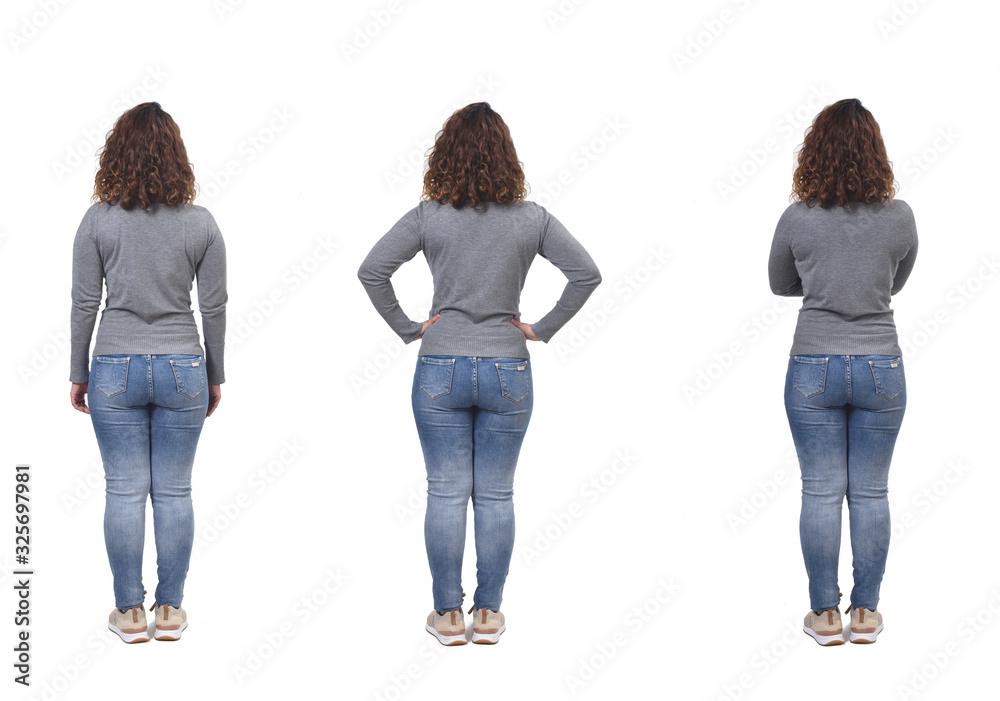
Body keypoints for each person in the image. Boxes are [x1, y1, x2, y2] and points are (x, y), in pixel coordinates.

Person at [359, 102, 601, 645]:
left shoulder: (429, 215)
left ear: (445, 153)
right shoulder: (530, 218)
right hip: (507, 364)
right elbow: (586, 273)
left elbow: (371, 270)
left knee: (446, 492)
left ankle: (447, 616)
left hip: (439, 363)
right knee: (495, 494)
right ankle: (488, 615)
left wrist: (409, 327)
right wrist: (540, 327)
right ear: (507, 157)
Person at [69, 102, 227, 644]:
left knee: (124, 490)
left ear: (117, 153)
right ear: (177, 157)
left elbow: (84, 303)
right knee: (175, 491)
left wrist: (78, 371)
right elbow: (216, 307)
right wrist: (215, 373)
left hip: (112, 365)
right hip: (184, 364)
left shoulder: (98, 220)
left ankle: (129, 613)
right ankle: (172, 611)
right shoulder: (201, 224)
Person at [769, 98, 918, 646]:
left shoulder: (797, 217)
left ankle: (824, 617)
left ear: (815, 152)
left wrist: (823, 283)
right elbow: (894, 282)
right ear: (877, 154)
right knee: (872, 492)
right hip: (882, 362)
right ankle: (867, 615)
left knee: (821, 490)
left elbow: (780, 284)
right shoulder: (900, 217)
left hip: (812, 364)